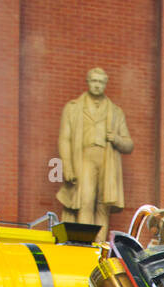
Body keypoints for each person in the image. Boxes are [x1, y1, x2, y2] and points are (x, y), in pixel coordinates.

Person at [56, 67, 133, 239]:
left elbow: (129, 145)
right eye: (94, 81)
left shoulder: (115, 112)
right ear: (88, 82)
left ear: (105, 84)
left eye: (101, 82)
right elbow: (64, 139)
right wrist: (67, 166)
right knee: (85, 201)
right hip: (83, 157)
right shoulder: (73, 108)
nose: (97, 85)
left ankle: (100, 247)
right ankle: (86, 244)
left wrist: (116, 139)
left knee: (103, 205)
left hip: (107, 159)